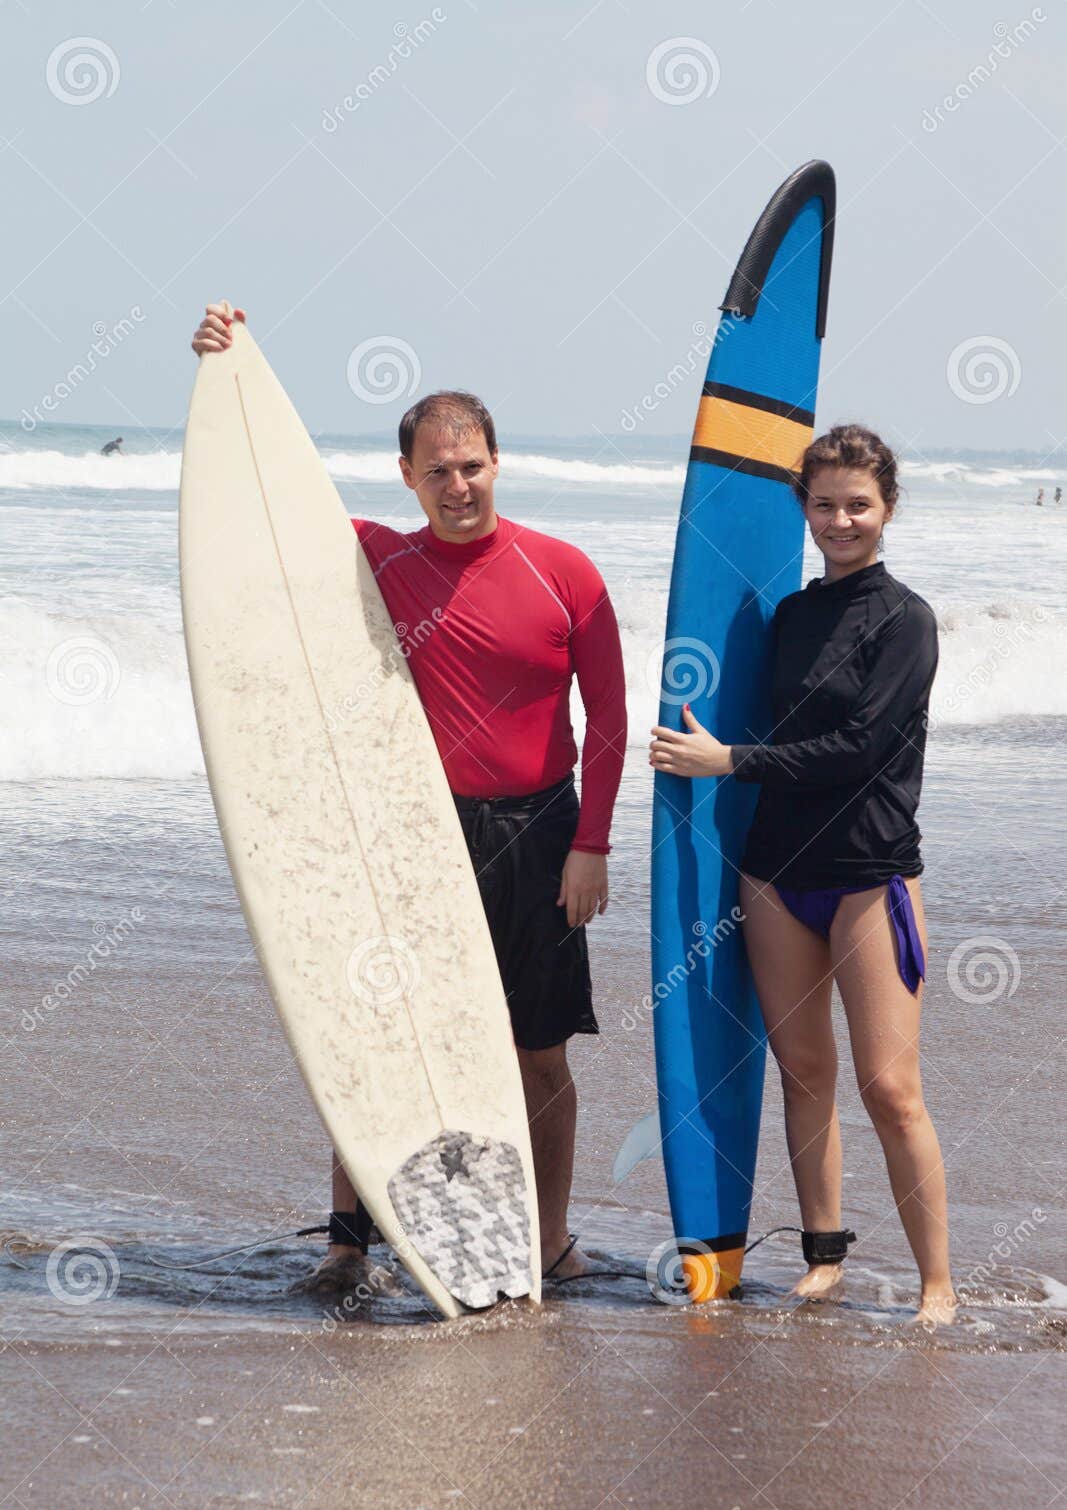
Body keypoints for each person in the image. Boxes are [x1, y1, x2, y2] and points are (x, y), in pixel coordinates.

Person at [191, 301, 627, 1296]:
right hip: (413, 836)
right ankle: (351, 1236)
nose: (457, 484)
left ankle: (545, 1238)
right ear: (407, 477)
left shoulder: (561, 572)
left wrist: (590, 844)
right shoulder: (378, 557)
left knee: (535, 1054)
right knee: (380, 1033)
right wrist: (228, 369)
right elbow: (258, 497)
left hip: (538, 834)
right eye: (436, 469)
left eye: (470, 464)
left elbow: (605, 717)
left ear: (496, 461)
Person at [649, 424, 956, 1326]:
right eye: (822, 504)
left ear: (886, 509)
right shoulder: (788, 617)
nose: (839, 520)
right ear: (803, 509)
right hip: (776, 873)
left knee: (890, 1089)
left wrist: (728, 763)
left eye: (856, 504)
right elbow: (748, 714)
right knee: (802, 1070)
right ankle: (822, 1259)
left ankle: (937, 1283)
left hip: (869, 872)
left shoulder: (906, 620)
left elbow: (858, 748)